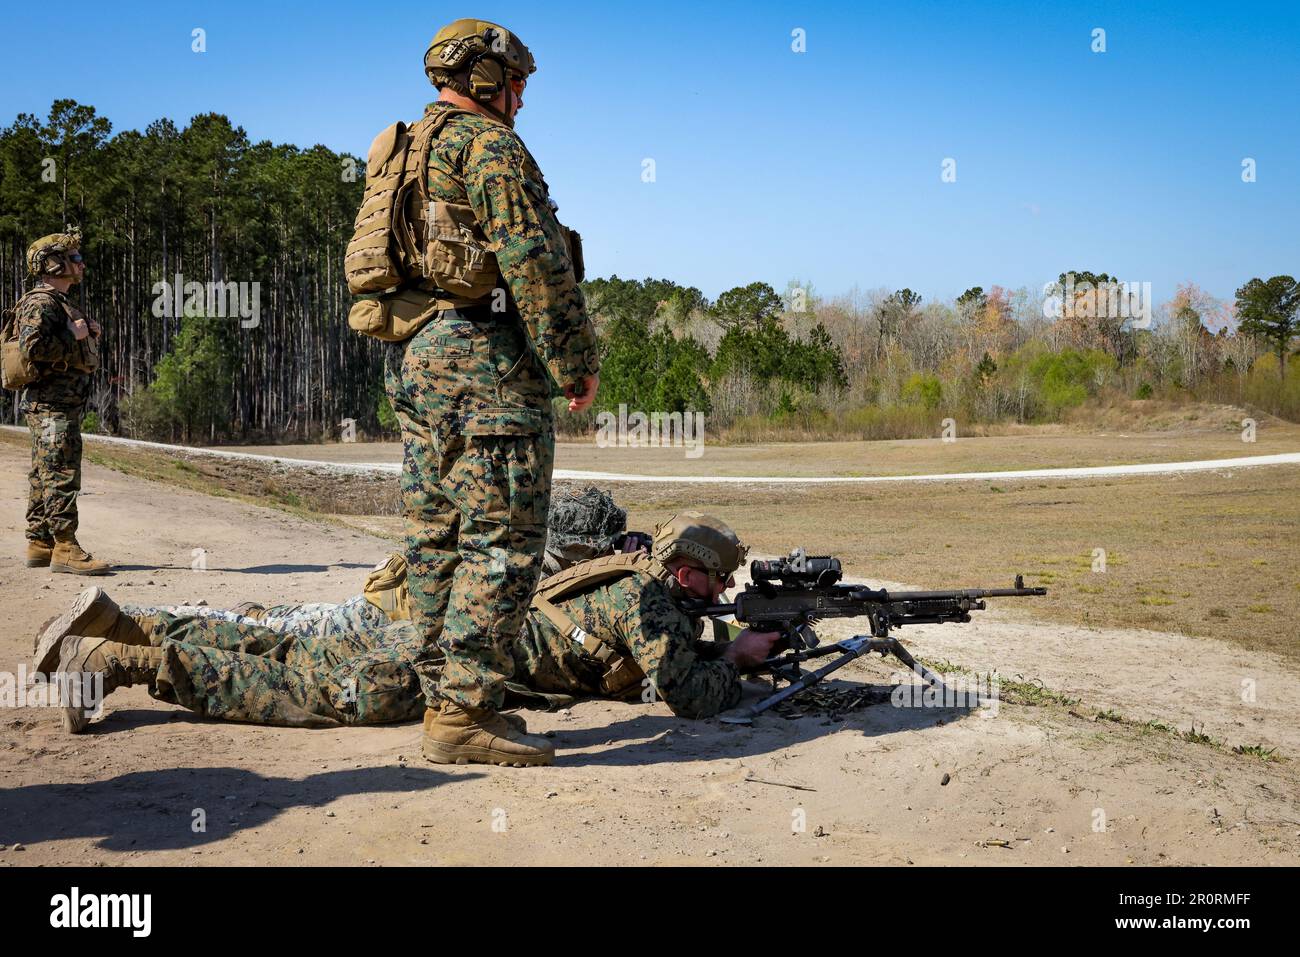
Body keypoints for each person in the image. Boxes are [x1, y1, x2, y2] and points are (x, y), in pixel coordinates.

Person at [38, 513, 779, 755]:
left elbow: (653, 662)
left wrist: (717, 643)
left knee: (285, 645)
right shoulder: (646, 601)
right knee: (289, 686)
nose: (724, 594)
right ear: (689, 574)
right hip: (434, 670)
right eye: (717, 582)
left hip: (431, 638)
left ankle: (122, 622)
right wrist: (738, 662)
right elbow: (687, 694)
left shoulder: (632, 588)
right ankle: (120, 658)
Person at [382, 18, 600, 768]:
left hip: (422, 358)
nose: (520, 101)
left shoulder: (411, 147)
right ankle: (466, 713)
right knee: (502, 540)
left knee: (436, 534)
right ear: (482, 77)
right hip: (487, 363)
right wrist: (574, 362)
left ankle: (443, 695)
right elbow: (535, 261)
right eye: (515, 84)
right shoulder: (488, 145)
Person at [12, 228, 111, 575]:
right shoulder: (41, 302)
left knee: (45, 472)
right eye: (76, 259)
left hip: (58, 403)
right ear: (54, 265)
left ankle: (40, 542)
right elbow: (32, 348)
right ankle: (66, 547)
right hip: (52, 405)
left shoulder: (60, 303)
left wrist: (85, 334)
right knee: (61, 472)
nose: (81, 265)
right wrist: (74, 337)